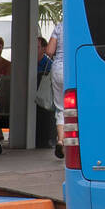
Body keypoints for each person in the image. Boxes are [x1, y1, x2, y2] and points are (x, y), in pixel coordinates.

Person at [46, 21, 64, 159]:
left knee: (61, 108)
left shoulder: (60, 26)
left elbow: (50, 51)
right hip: (76, 68)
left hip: (58, 70)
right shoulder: (82, 21)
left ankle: (61, 140)